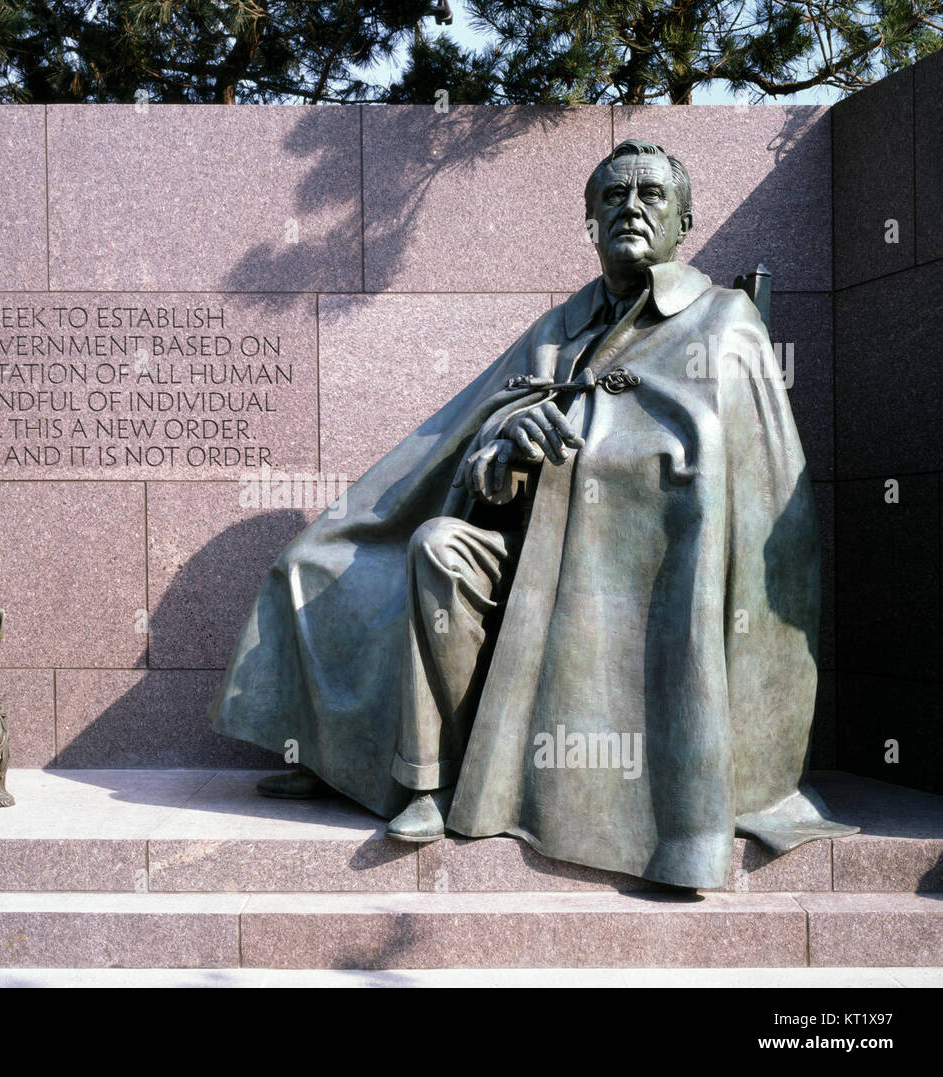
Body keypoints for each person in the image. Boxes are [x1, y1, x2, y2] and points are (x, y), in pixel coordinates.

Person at [209, 139, 856, 890]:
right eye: (612, 197)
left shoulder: (722, 322)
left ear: (686, 219)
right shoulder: (560, 327)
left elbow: (741, 486)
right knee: (424, 547)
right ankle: (413, 776)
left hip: (638, 585)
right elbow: (475, 454)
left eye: (650, 195)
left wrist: (587, 451)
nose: (631, 208)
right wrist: (506, 448)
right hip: (528, 558)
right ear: (589, 221)